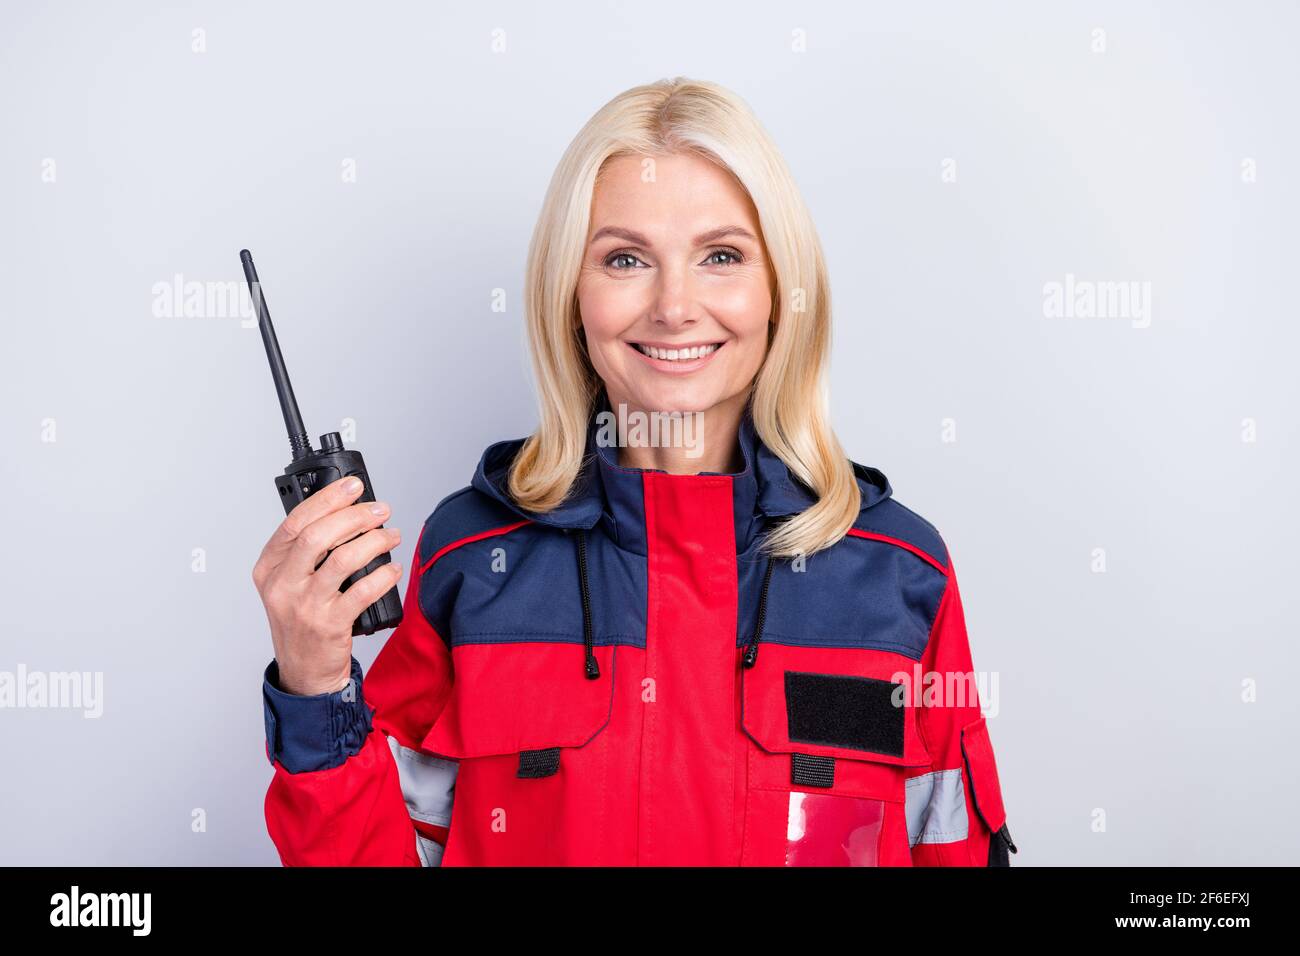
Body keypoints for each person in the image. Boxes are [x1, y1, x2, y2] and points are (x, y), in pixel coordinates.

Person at [252, 76, 1016, 867]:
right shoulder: (472, 560)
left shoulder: (900, 572)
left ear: (781, 292)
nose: (675, 306)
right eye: (625, 259)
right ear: (570, 298)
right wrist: (316, 685)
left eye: (722, 255)